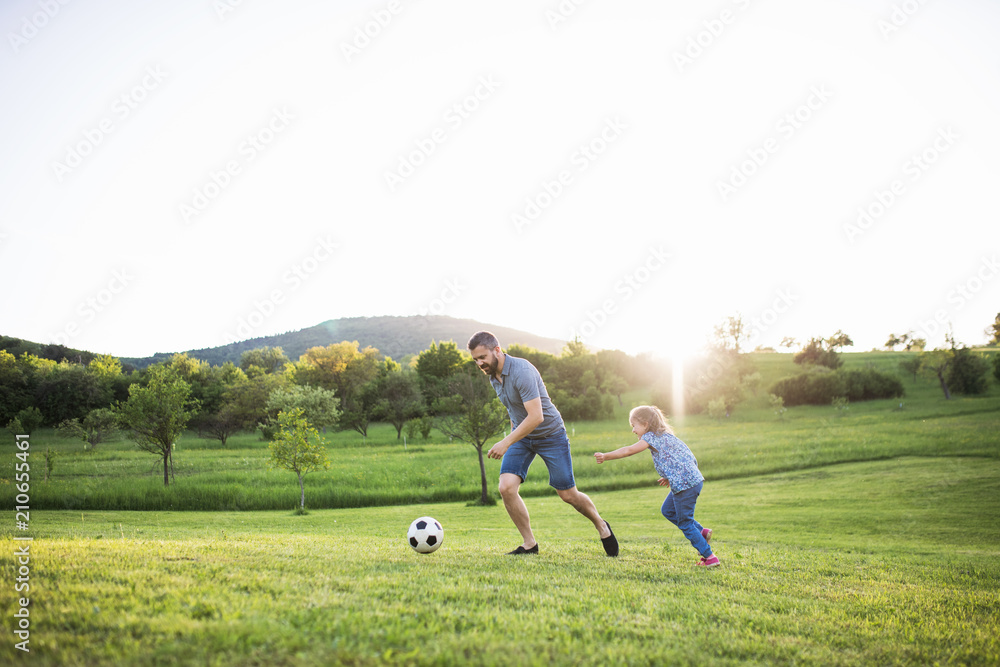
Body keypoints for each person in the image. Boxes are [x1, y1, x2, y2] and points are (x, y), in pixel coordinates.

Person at [467, 331, 618, 557]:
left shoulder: (522, 371)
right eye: (475, 360)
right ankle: (530, 544)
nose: (480, 363)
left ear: (497, 350)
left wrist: (506, 442)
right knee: (506, 488)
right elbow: (513, 410)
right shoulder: (493, 378)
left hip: (551, 435)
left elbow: (537, 416)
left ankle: (601, 525)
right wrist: (514, 437)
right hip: (523, 437)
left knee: (568, 495)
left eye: (482, 357)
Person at [594, 405, 719, 567]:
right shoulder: (667, 436)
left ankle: (709, 556)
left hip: (685, 485)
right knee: (667, 510)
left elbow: (629, 451)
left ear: (645, 424)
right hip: (692, 481)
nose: (633, 430)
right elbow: (686, 457)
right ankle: (702, 532)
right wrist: (669, 476)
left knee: (685, 523)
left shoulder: (651, 437)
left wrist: (605, 456)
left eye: (634, 426)